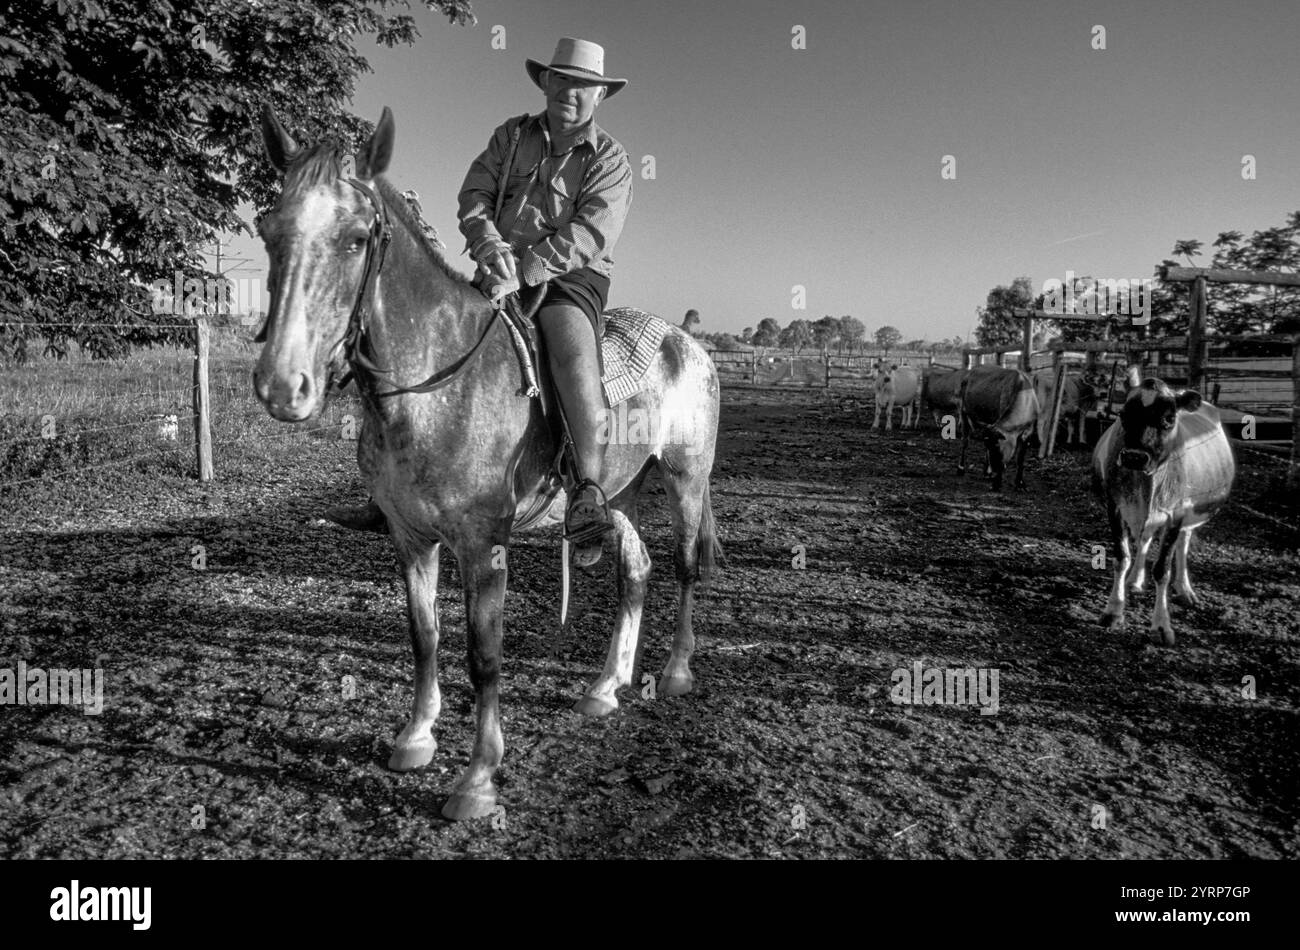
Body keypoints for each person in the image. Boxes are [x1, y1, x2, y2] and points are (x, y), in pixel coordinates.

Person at [325, 38, 633, 570]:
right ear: (546, 84)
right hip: (498, 268)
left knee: (571, 354)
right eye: (561, 80)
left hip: (569, 278)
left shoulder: (611, 160)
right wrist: (491, 249)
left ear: (599, 96)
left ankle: (586, 492)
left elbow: (592, 232)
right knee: (421, 341)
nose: (569, 92)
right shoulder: (511, 136)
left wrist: (528, 268)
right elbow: (474, 195)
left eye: (582, 85)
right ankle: (390, 486)